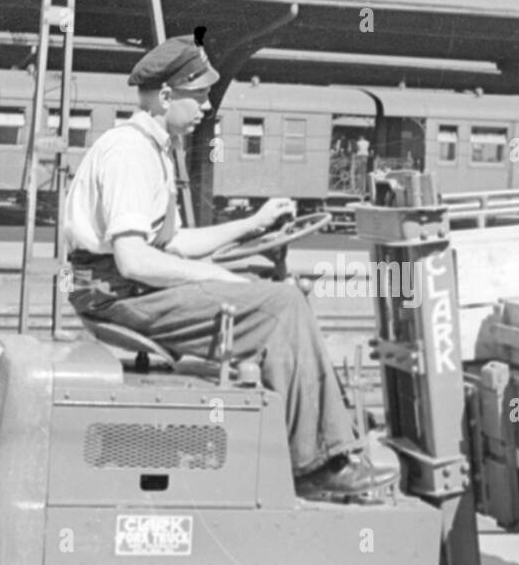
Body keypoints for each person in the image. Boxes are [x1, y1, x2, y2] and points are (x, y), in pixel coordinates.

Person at [64, 33, 393, 500]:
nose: (204, 107)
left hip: (120, 289)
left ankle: (325, 429)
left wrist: (253, 224)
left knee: (271, 291)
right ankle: (316, 462)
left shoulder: (150, 147)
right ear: (165, 96)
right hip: (116, 295)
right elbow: (133, 259)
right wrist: (216, 275)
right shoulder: (130, 153)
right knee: (280, 306)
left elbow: (173, 241)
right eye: (197, 97)